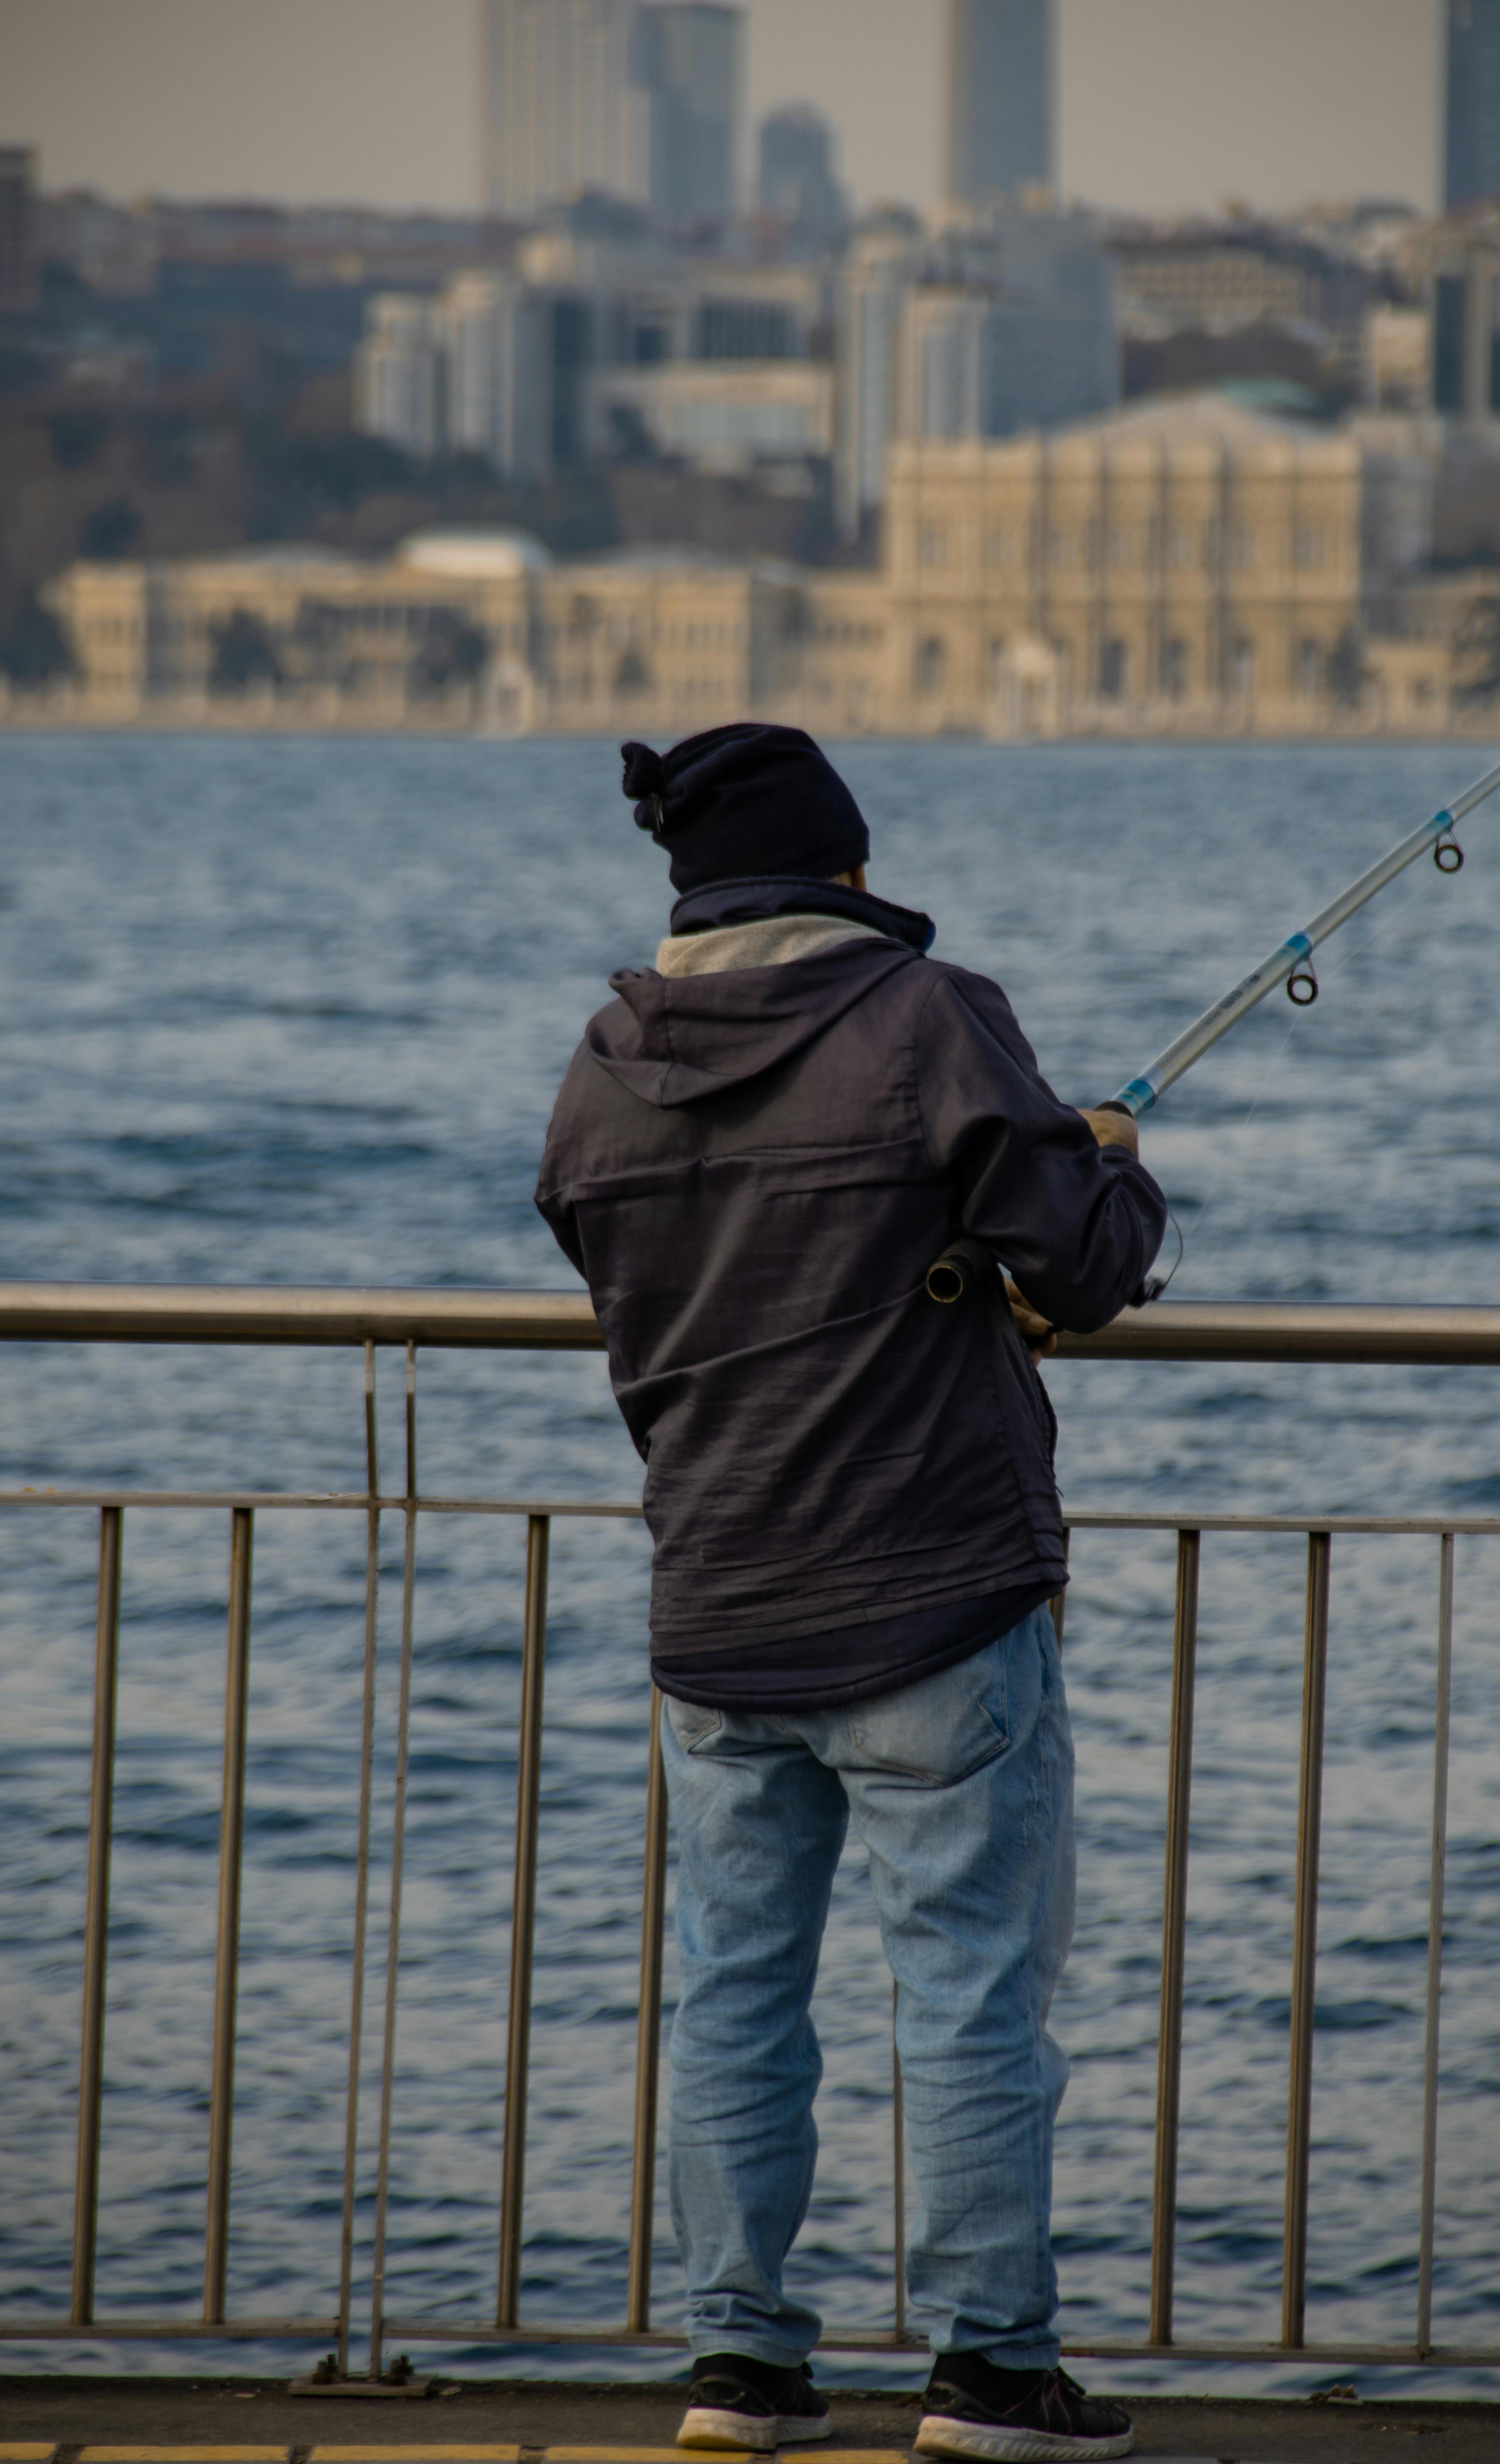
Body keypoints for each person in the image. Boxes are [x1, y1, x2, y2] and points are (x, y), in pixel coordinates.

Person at [536, 726, 1166, 2463]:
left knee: (736, 1990)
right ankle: (989, 2373)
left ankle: (738, 2368)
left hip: (716, 1604)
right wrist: (1106, 1153)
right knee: (966, 1987)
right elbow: (1089, 1266)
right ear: (840, 872)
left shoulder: (600, 1067)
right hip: (933, 1603)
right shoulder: (924, 1018)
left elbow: (635, 1270)